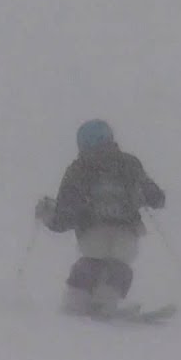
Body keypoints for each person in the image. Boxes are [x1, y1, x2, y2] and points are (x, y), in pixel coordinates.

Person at [35, 119, 165, 316]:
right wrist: (149, 196)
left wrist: (48, 215)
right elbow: (155, 196)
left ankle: (76, 300)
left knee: (92, 262)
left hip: (91, 229)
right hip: (126, 229)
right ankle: (105, 302)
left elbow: (65, 215)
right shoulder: (128, 164)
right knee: (119, 265)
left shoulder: (78, 170)